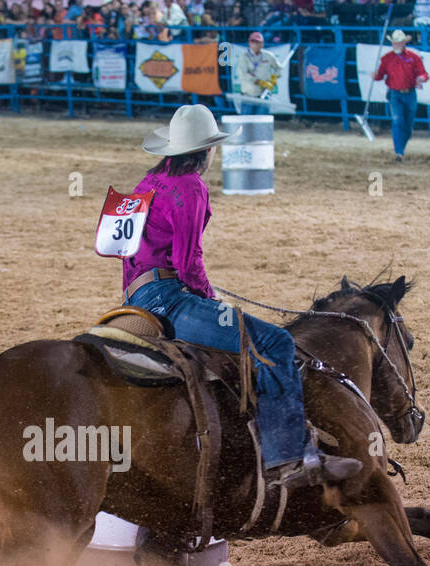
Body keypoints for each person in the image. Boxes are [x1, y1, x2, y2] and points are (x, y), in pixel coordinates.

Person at [121, 105, 363, 490]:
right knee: (275, 341)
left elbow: (125, 248)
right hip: (170, 298)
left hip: (135, 297)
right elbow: (188, 262)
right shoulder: (191, 188)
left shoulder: (148, 181)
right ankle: (287, 455)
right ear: (206, 151)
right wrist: (208, 298)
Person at [373, 29, 428, 162]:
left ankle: (400, 149)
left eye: (399, 43)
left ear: (404, 43)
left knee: (408, 125)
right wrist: (375, 76)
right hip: (395, 94)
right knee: (398, 120)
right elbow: (380, 75)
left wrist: (421, 78)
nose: (396, 45)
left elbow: (424, 73)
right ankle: (399, 152)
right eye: (394, 43)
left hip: (409, 93)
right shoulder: (386, 59)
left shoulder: (413, 58)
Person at [234, 30, 280, 113]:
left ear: (262, 43)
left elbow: (278, 68)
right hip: (248, 94)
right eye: (253, 41)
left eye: (258, 42)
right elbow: (243, 74)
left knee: (263, 122)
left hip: (264, 94)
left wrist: (274, 78)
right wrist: (258, 81)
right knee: (246, 123)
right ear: (249, 43)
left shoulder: (268, 56)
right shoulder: (243, 57)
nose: (255, 44)